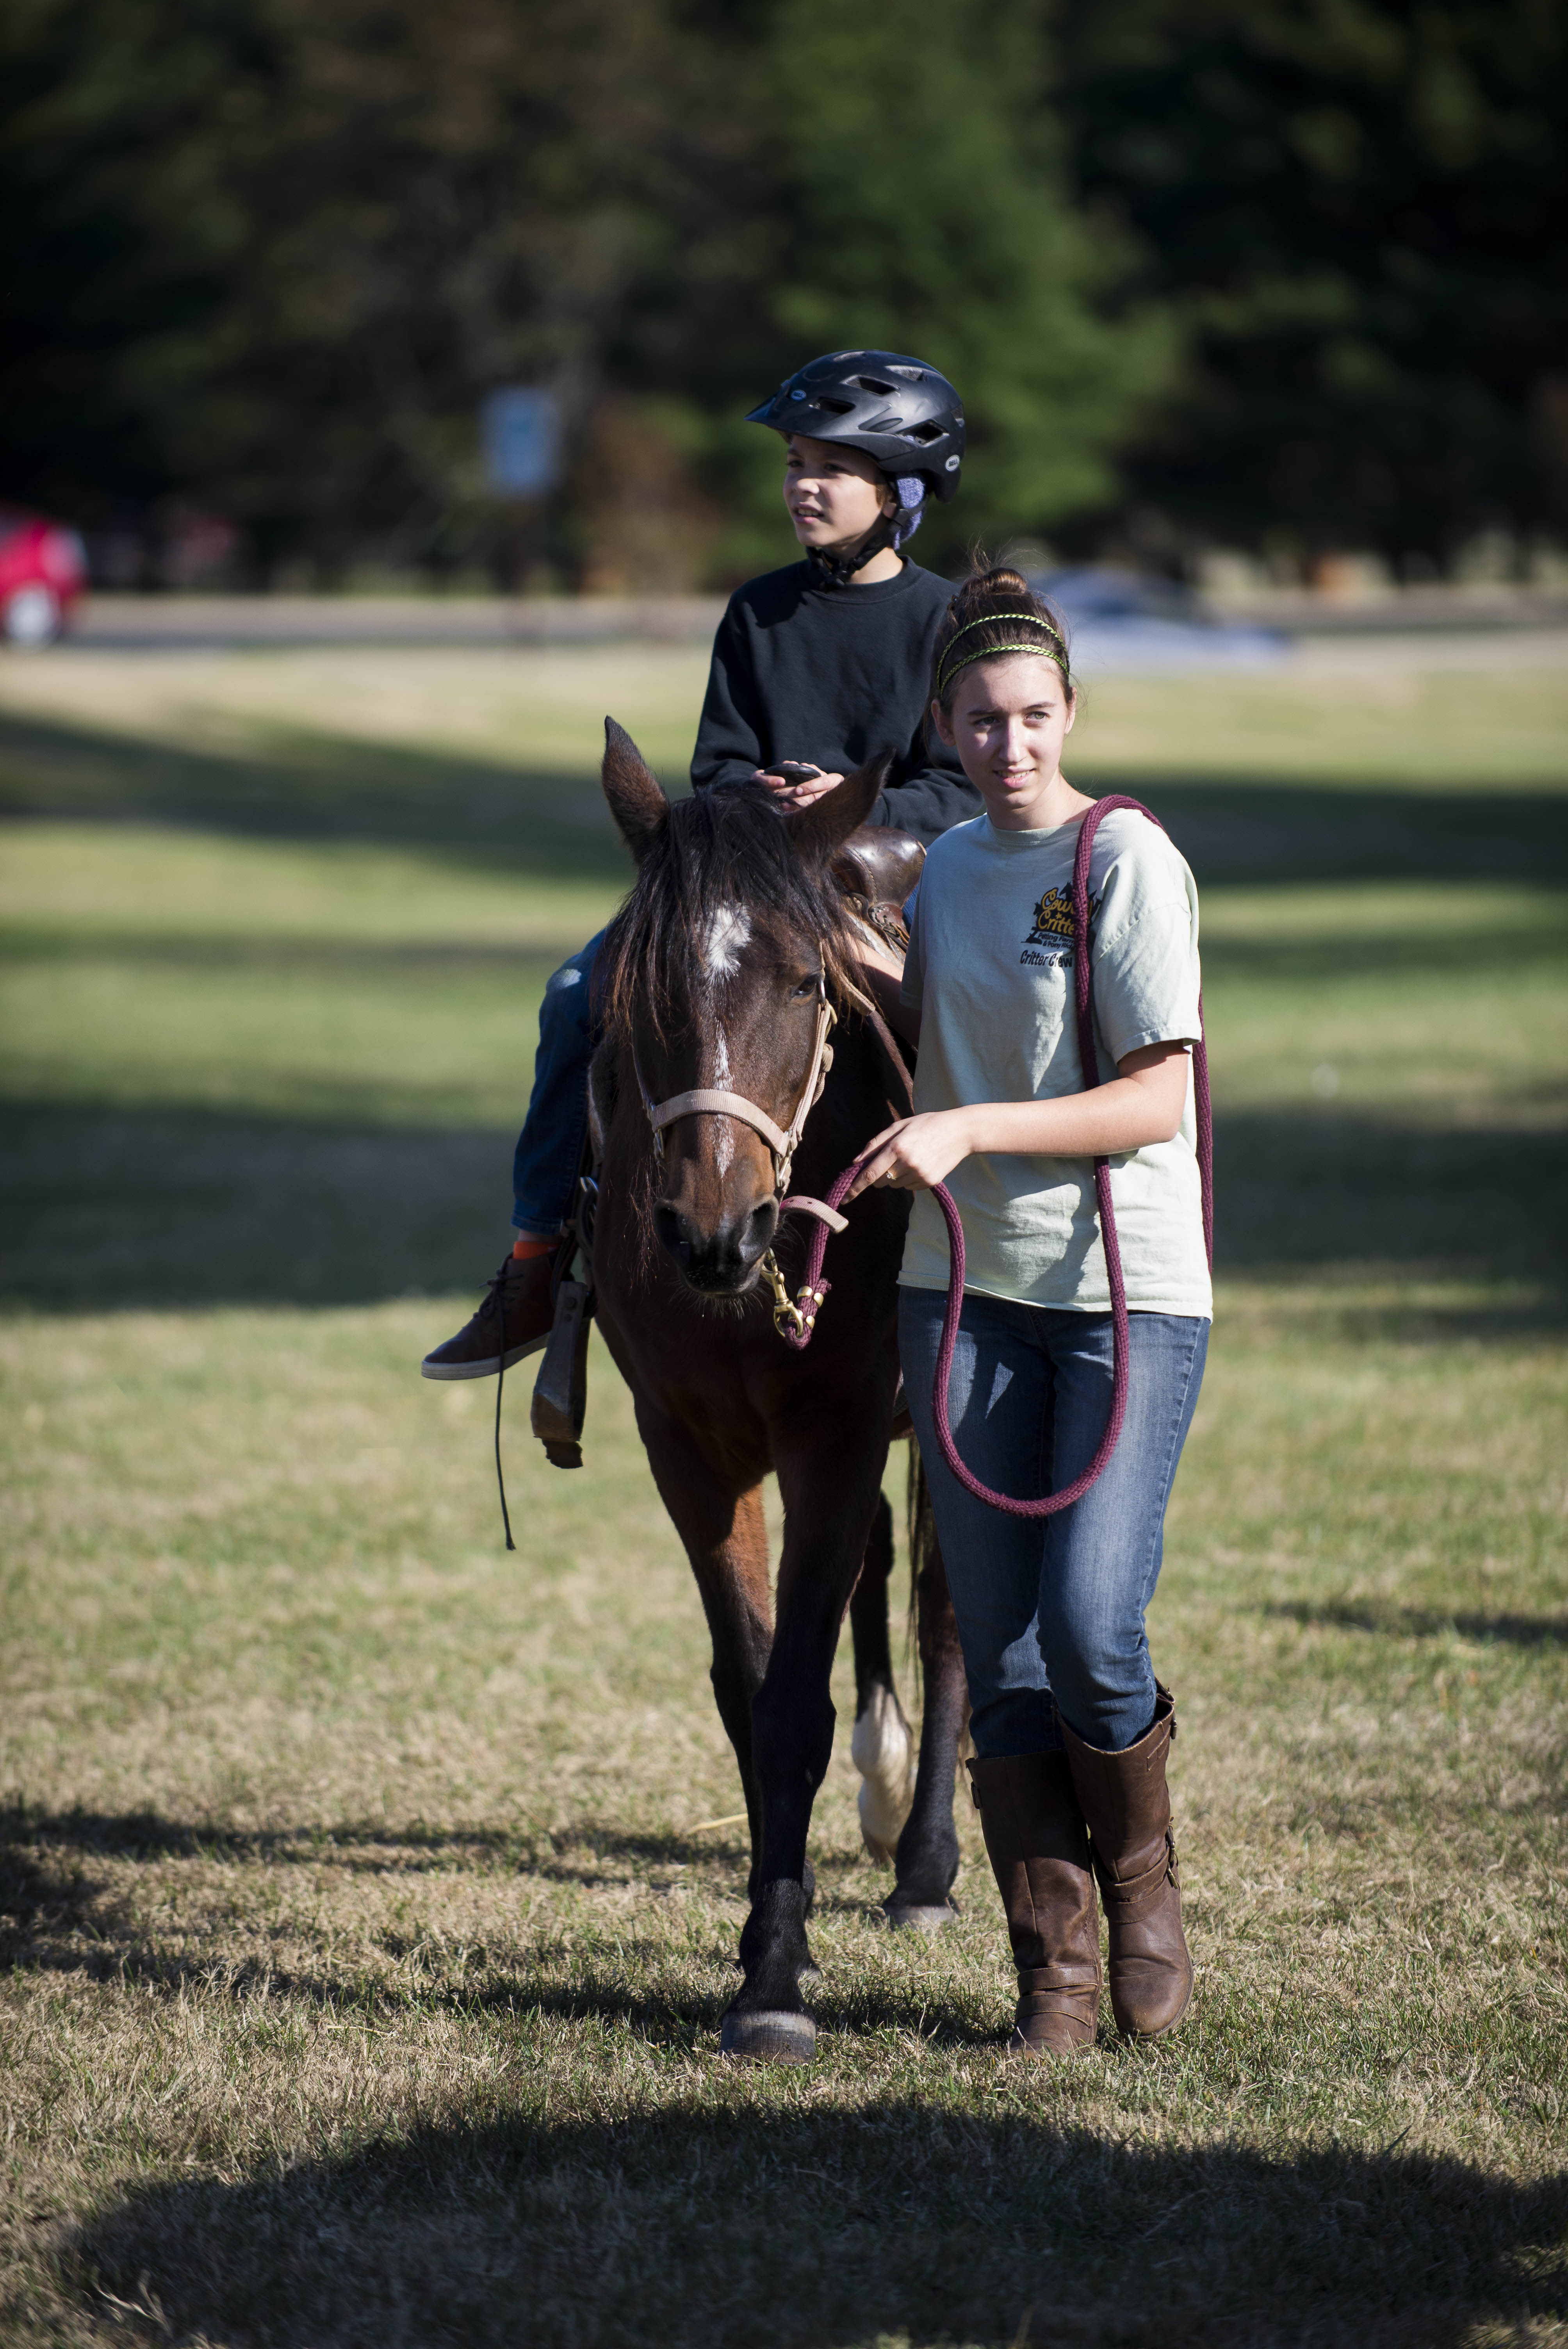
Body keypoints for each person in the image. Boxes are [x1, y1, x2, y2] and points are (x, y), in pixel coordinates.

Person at [422, 350, 978, 1380]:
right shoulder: (755, 614)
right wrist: (761, 798)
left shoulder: (946, 621)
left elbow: (961, 787)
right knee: (575, 990)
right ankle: (539, 1263)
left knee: (979, 1025)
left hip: (892, 893)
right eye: (796, 464)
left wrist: (858, 811)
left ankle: (985, 1278)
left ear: (901, 492)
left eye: (834, 467)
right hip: (752, 888)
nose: (804, 484)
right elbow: (716, 765)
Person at [846, 565, 1211, 2058]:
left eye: (1035, 717)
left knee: (1089, 1626)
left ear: (1071, 714)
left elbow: (1159, 1096)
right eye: (984, 722)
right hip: (960, 1295)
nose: (1011, 746)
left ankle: (1142, 1892)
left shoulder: (1121, 861)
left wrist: (971, 1128)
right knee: (992, 1647)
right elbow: (929, 1027)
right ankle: (1053, 1977)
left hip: (1123, 1300)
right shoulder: (943, 877)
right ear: (945, 724)